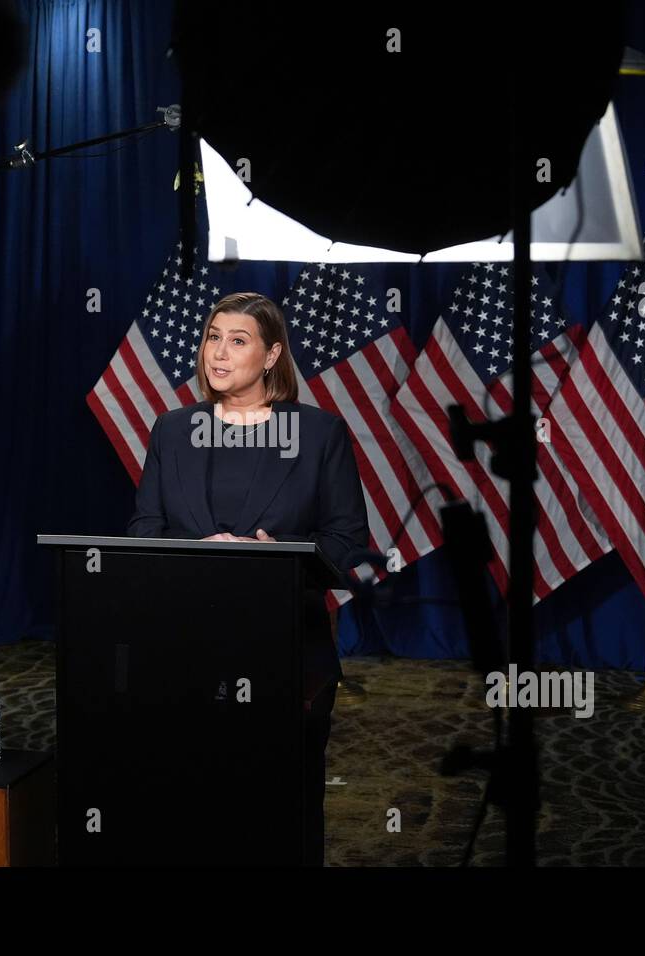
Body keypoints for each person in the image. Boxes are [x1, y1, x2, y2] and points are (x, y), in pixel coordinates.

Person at [126, 291, 369, 866]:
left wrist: (282, 556)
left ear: (271, 355)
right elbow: (143, 529)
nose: (218, 352)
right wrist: (195, 550)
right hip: (185, 652)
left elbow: (347, 540)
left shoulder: (320, 434)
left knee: (282, 811)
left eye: (238, 341)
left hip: (286, 655)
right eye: (213, 337)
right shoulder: (172, 430)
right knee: (190, 805)